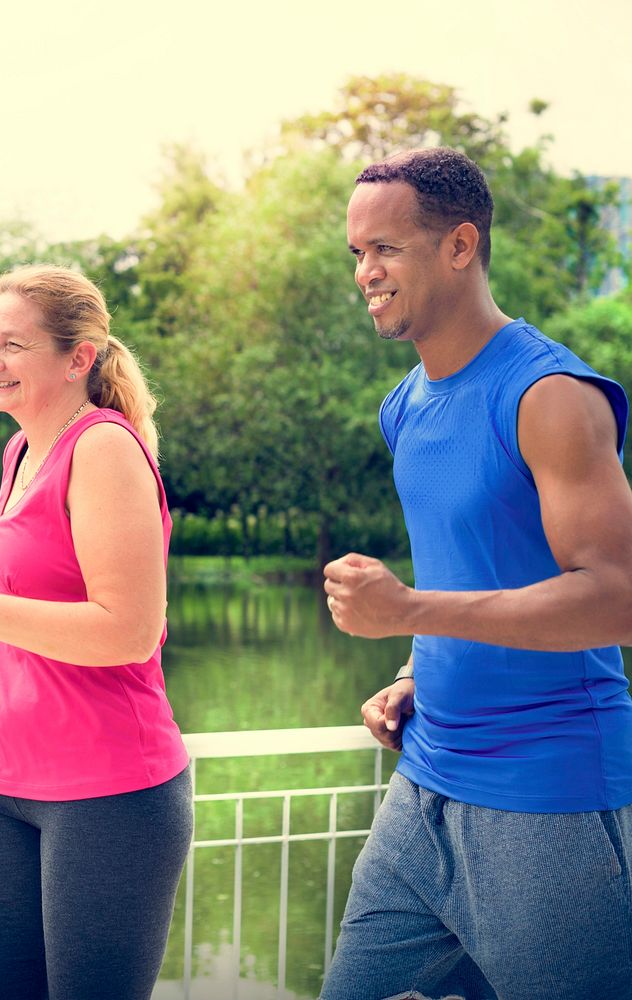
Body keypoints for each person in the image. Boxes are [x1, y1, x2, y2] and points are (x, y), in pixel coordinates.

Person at [321, 147, 632, 1000]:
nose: (366, 274)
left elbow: (619, 598)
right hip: (423, 788)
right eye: (356, 254)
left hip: (551, 800)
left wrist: (411, 608)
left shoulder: (550, 395)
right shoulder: (405, 404)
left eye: (386, 249)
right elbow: (480, 561)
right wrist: (416, 666)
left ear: (461, 246)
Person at [0, 264, 192, 1000]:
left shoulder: (105, 449)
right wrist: (8, 658)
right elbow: (49, 595)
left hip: (110, 796)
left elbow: (129, 630)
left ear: (78, 358)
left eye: (14, 345)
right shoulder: (20, 451)